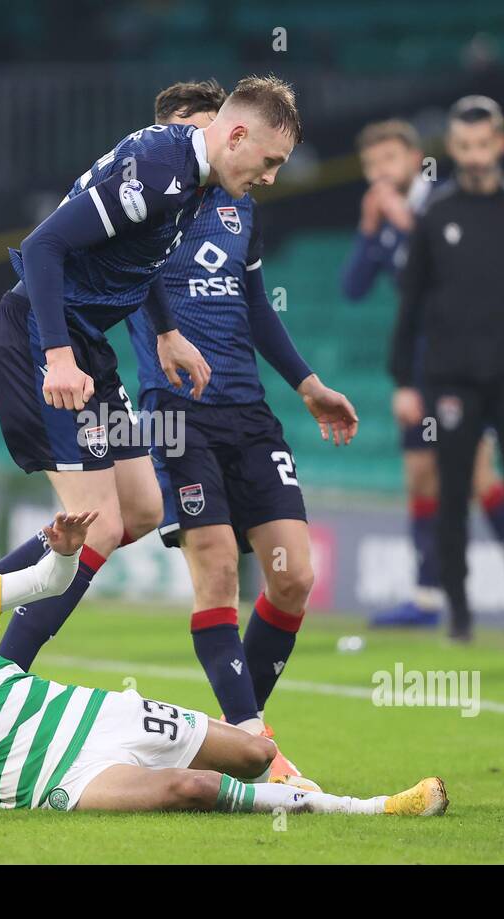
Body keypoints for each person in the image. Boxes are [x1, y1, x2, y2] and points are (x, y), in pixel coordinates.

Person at [0, 511, 448, 818]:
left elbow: (44, 586)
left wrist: (58, 550)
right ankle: (371, 810)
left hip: (89, 713)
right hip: (60, 779)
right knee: (190, 790)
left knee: (253, 751)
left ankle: (304, 797)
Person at [0, 76, 302, 671]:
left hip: (88, 345)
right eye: (270, 160)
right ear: (235, 135)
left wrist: (165, 331)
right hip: (39, 336)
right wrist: (57, 355)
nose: (271, 177)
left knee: (144, 509)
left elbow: (141, 254)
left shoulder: (193, 181)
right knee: (99, 527)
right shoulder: (161, 172)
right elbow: (43, 245)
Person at [125, 80, 357, 789]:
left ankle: (231, 733)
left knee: (294, 577)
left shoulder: (238, 209)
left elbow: (253, 302)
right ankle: (258, 746)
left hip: (249, 411)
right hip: (176, 410)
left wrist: (308, 383)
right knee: (218, 565)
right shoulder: (141, 203)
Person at [389, 96, 504, 647]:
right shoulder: (436, 215)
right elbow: (411, 305)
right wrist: (402, 380)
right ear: (453, 148)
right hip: (452, 380)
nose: (473, 155)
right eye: (463, 146)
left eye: (482, 144)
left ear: (500, 144)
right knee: (451, 500)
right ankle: (460, 617)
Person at [344, 118, 504, 632]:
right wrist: (368, 229)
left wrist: (407, 225)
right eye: (371, 164)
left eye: (389, 160)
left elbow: (460, 275)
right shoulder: (382, 218)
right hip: (419, 367)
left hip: (466, 363)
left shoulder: (446, 204)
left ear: (413, 159)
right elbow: (353, 288)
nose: (379, 172)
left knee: (476, 473)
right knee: (420, 476)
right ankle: (426, 597)